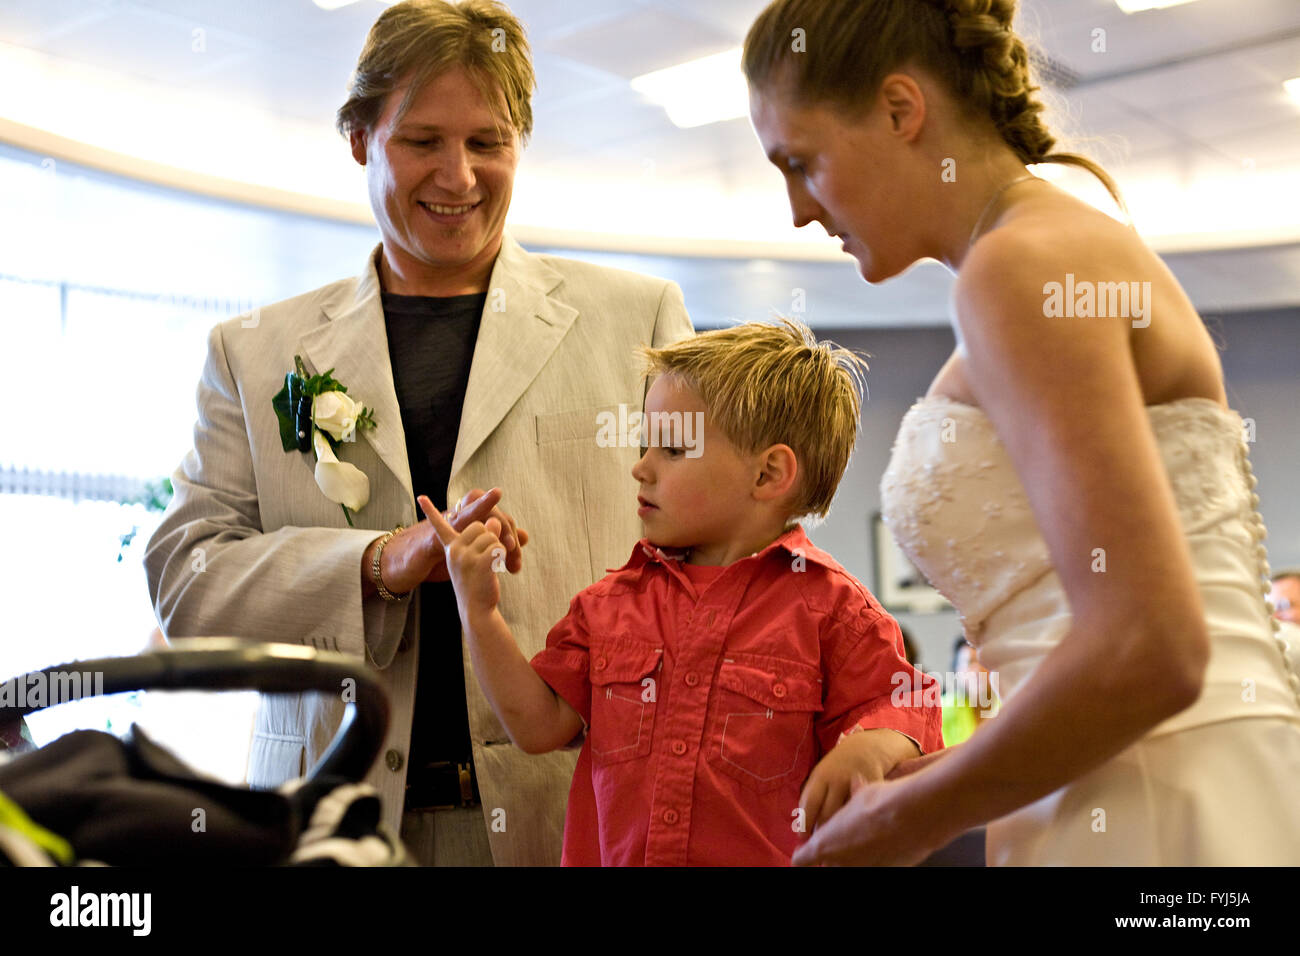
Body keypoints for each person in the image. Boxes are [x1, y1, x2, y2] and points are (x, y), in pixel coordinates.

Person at [743, 0, 1300, 865]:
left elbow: (1153, 652)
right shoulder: (1048, 247)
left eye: (801, 162)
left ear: (900, 109)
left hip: (1156, 793)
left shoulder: (1019, 265)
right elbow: (1088, 650)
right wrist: (932, 766)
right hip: (1150, 772)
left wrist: (906, 821)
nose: (796, 212)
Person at [144, 0, 693, 867]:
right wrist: (375, 563)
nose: (460, 176)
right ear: (360, 139)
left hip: (572, 819)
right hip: (333, 821)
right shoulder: (254, 355)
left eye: (488, 142)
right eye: (422, 140)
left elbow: (709, 562)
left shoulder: (639, 320)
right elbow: (186, 578)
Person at [423, 318, 945, 864]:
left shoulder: (835, 613)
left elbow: (906, 703)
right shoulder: (610, 605)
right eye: (647, 446)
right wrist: (478, 611)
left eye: (671, 450)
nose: (639, 468)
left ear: (768, 475)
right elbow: (535, 725)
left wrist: (873, 744)